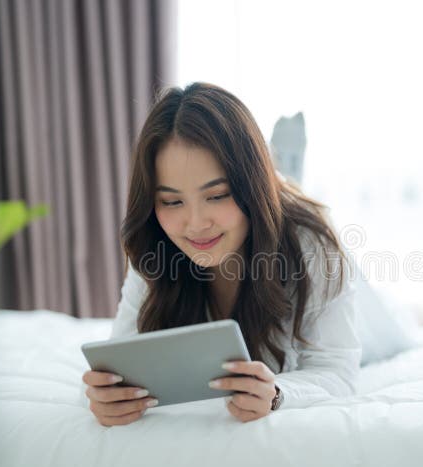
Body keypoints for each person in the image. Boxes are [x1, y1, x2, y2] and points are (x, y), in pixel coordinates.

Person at [82, 82, 360, 426]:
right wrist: (109, 395)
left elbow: (338, 370)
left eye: (216, 195)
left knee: (394, 321)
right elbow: (122, 355)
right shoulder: (157, 243)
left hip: (351, 297)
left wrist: (277, 394)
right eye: (172, 201)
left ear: (249, 189)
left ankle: (285, 174)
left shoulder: (314, 245)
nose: (196, 224)